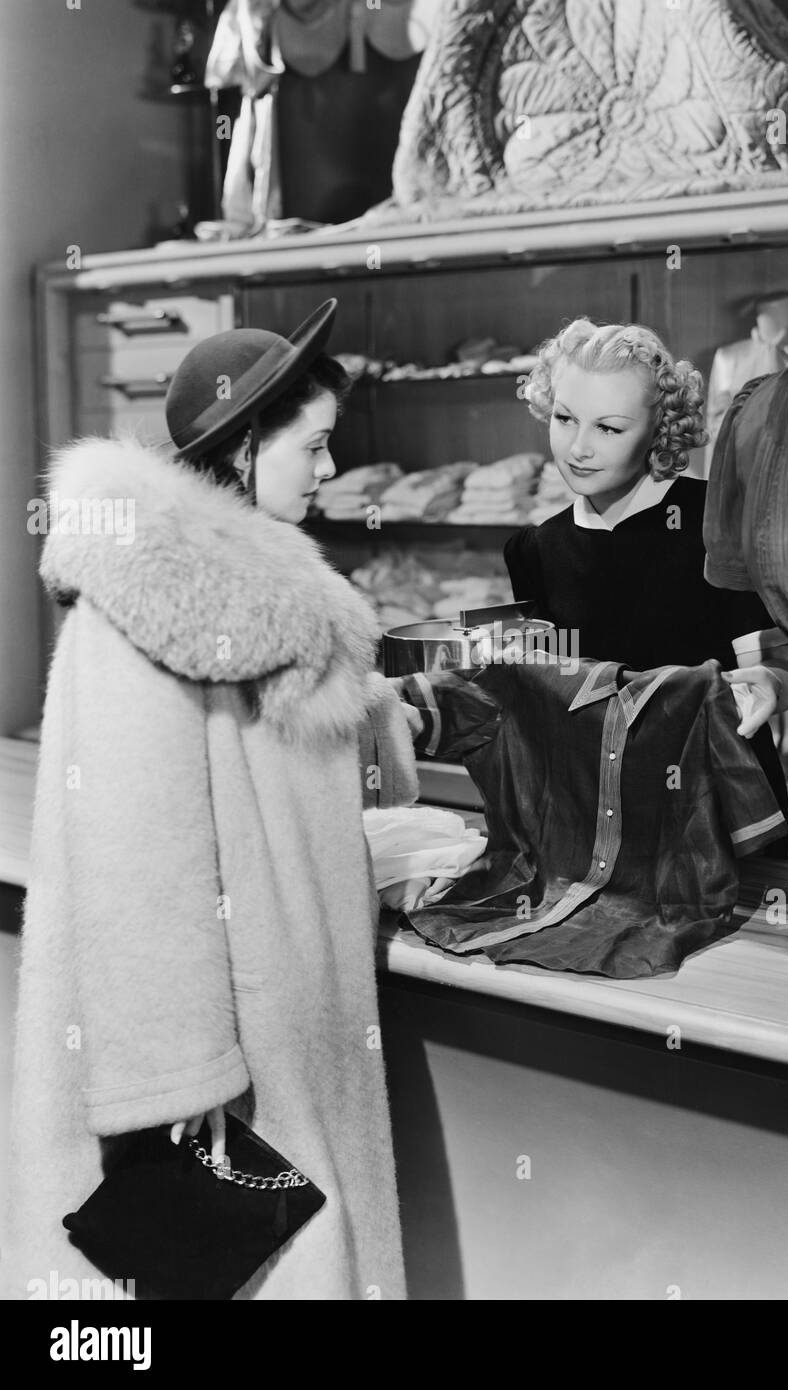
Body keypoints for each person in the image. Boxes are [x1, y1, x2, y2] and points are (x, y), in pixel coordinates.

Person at [5, 299, 417, 1300]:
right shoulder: (140, 612)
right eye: (314, 448)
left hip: (277, 1041)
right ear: (241, 450)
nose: (330, 472)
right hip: (219, 1080)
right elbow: (136, 863)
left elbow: (286, 750)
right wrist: (176, 1089)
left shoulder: (243, 598)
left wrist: (406, 716)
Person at [504, 317, 788, 836]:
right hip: (600, 811)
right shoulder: (534, 550)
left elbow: (779, 670)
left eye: (609, 428)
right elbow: (555, 693)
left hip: (719, 808)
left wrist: (771, 685)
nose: (578, 447)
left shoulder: (718, 522)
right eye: (565, 418)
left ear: (659, 428)